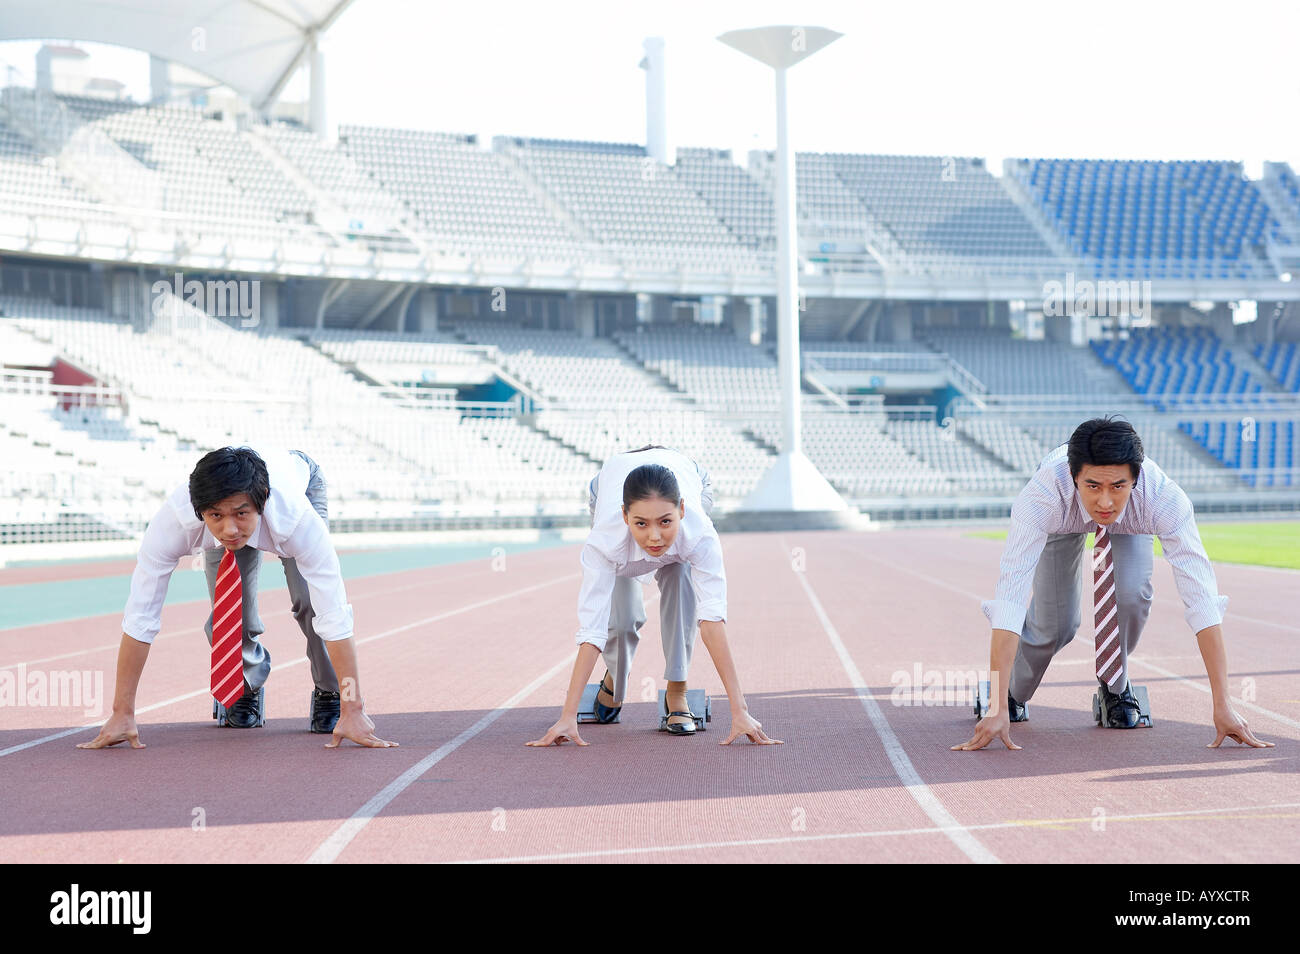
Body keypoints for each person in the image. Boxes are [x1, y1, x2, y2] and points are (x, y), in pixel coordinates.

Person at [953, 417, 1272, 752]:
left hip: (1132, 523)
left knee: (1132, 595)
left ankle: (1115, 687)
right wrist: (996, 708)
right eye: (1093, 486)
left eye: (1117, 486)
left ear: (1136, 478)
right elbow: (1010, 598)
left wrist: (1223, 704)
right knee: (1056, 626)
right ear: (1074, 476)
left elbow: (1202, 599)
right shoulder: (1042, 497)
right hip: (1062, 523)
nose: (1105, 502)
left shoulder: (1162, 498)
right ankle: (1009, 694)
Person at [78, 445, 396, 750]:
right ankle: (244, 686)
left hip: (300, 482)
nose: (230, 529)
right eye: (215, 515)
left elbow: (335, 615)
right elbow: (140, 618)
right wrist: (122, 712)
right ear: (199, 509)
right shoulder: (172, 525)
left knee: (310, 603)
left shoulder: (298, 520)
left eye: (240, 514)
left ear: (263, 502)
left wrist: (352, 707)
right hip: (237, 494)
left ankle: (329, 693)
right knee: (230, 610)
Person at [526, 445, 781, 747]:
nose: (655, 537)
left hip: (686, 474)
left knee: (679, 574)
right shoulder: (604, 543)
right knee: (621, 620)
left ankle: (678, 690)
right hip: (609, 483)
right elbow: (591, 630)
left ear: (682, 511)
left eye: (665, 522)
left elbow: (712, 619)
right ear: (624, 516)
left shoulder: (698, 535)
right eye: (641, 524)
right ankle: (614, 680)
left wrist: (740, 712)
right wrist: (567, 715)